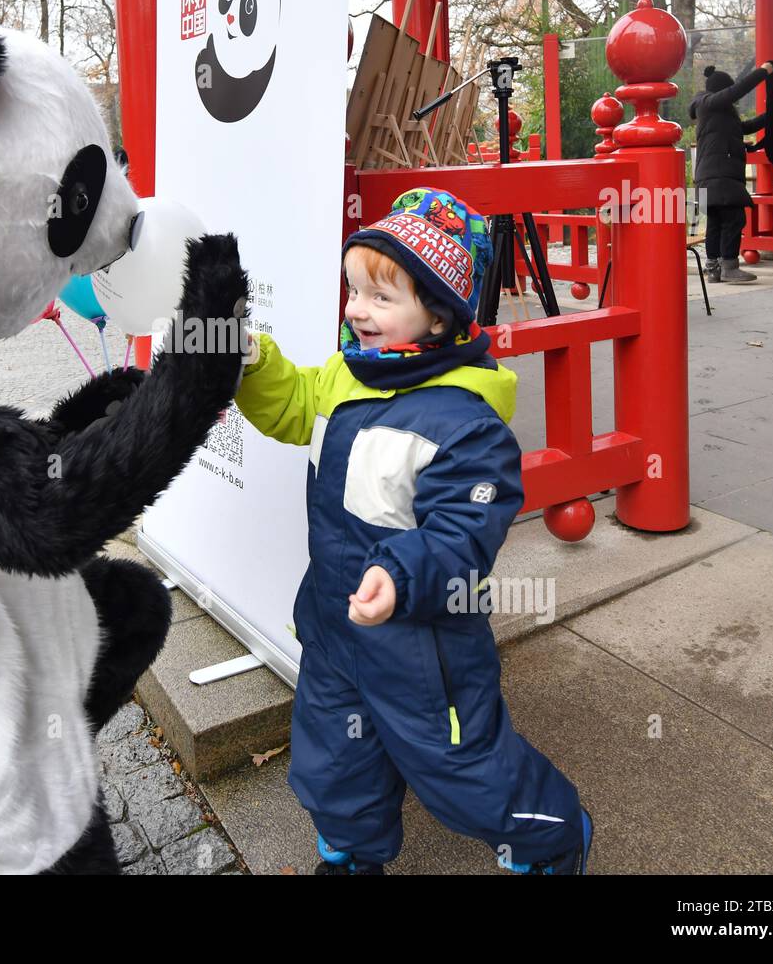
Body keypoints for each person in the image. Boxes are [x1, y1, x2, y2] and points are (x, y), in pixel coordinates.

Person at [235, 189, 591, 875]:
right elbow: (288, 405)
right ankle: (350, 851)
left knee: (465, 769)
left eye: (380, 297)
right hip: (336, 626)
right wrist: (253, 360)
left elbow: (464, 532)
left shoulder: (465, 423)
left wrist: (400, 573)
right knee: (334, 759)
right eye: (353, 291)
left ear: (436, 314)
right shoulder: (346, 377)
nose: (356, 310)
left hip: (424, 643)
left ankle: (551, 837)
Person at [689, 60, 773, 284]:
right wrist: (763, 72)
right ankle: (730, 266)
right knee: (734, 218)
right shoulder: (708, 103)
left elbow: (743, 128)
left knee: (717, 222)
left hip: (711, 176)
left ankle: (714, 269)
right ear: (721, 90)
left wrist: (770, 116)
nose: (733, 99)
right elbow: (737, 89)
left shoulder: (717, 113)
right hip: (719, 175)